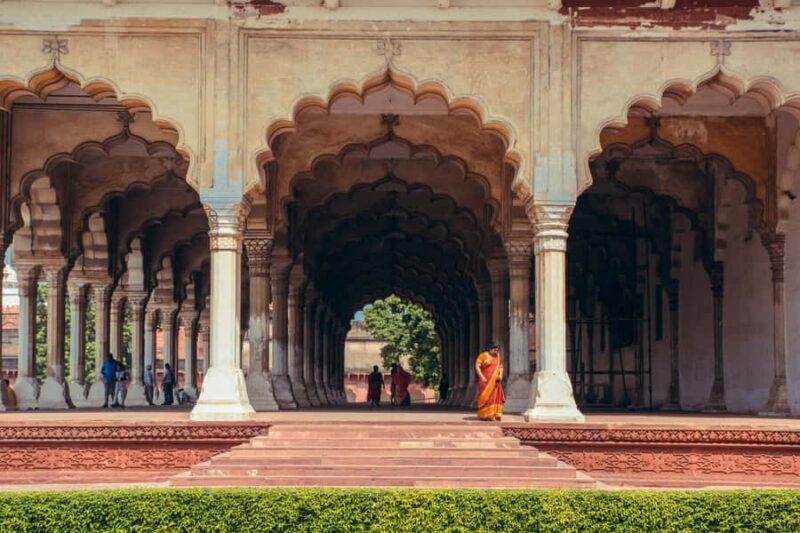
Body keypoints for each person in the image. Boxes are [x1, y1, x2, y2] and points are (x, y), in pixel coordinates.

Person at [475, 341, 505, 421]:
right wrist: (481, 377)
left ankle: (496, 413)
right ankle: (486, 414)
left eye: (497, 349)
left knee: (495, 397)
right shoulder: (483, 356)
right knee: (486, 398)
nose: (496, 351)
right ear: (490, 349)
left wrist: (501, 375)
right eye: (495, 349)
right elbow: (477, 366)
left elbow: (501, 366)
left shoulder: (498, 357)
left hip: (495, 381)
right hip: (485, 381)